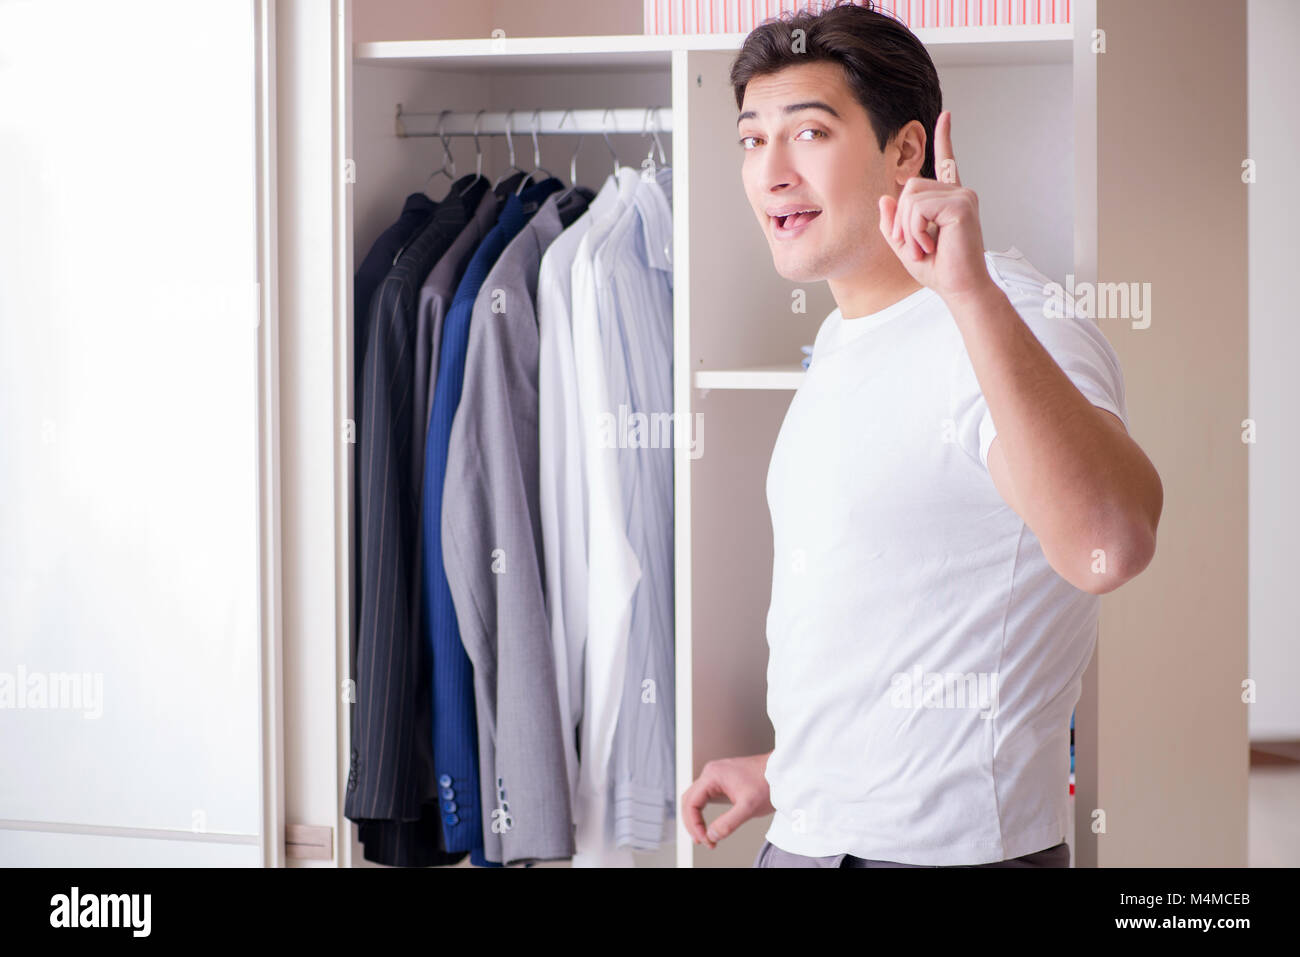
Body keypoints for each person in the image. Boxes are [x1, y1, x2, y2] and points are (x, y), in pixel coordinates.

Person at [680, 0, 1163, 869]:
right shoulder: (844, 334)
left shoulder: (1018, 320)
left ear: (907, 151)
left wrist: (970, 295)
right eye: (753, 140)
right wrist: (793, 770)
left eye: (809, 133)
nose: (772, 172)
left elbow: (1111, 545)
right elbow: (896, 615)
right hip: (809, 839)